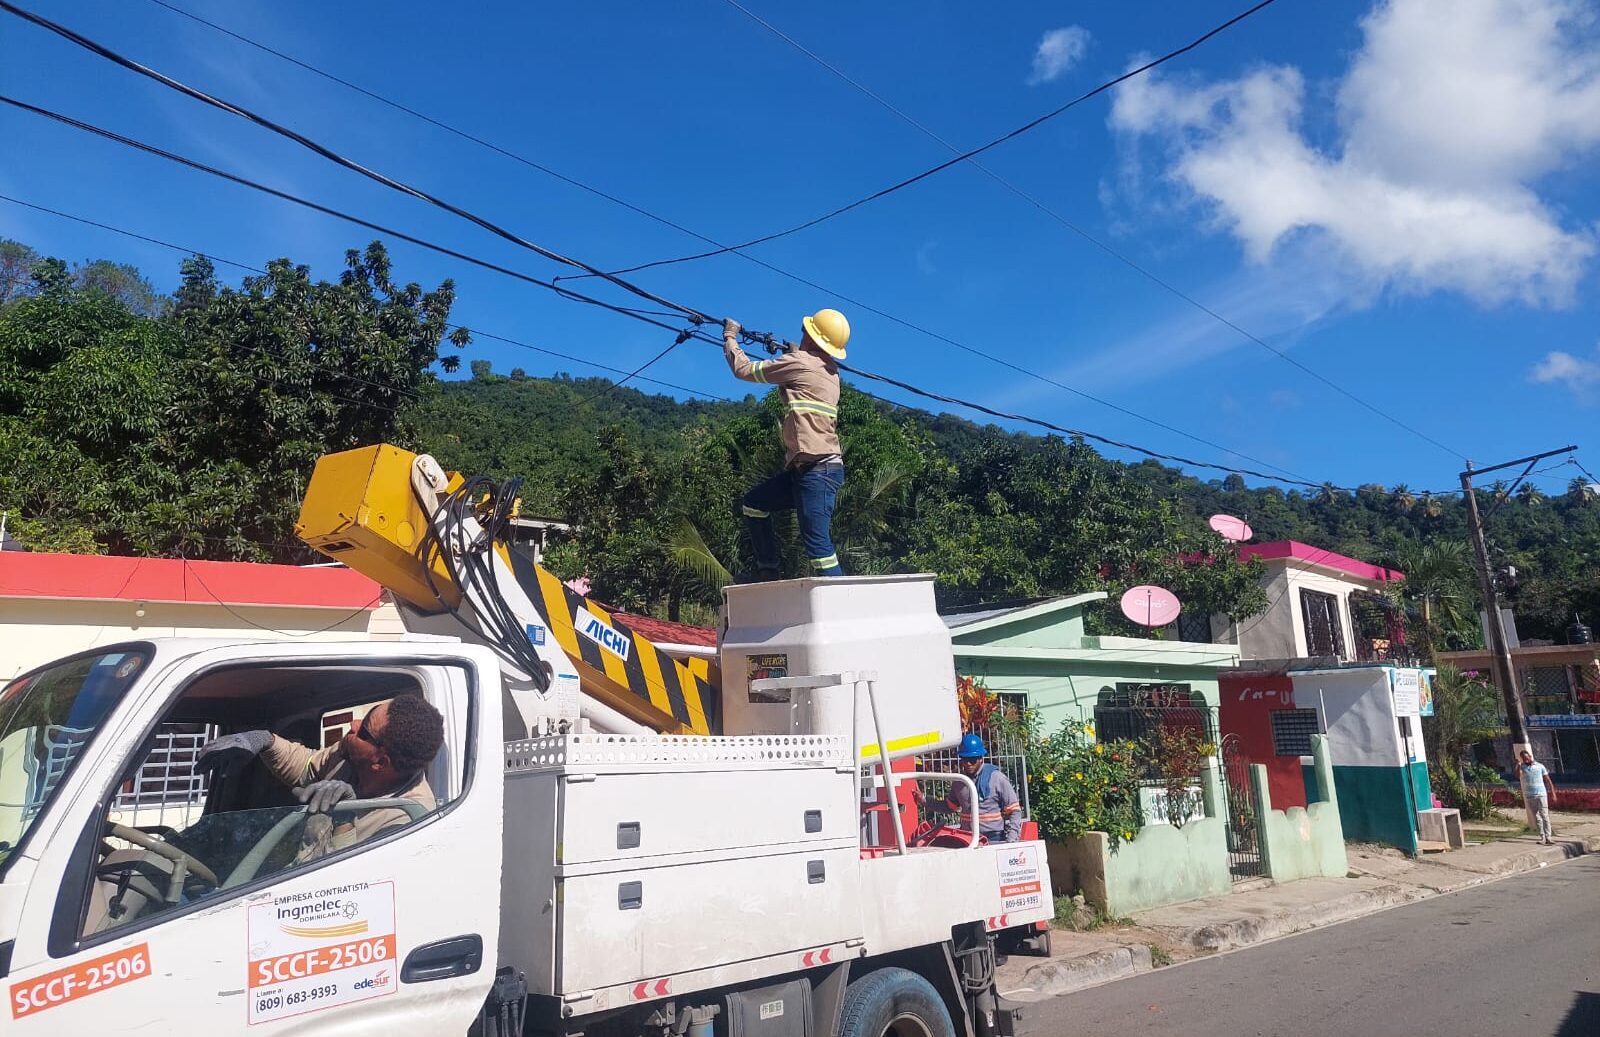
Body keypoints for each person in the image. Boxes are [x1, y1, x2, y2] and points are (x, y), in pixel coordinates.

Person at [195, 695, 445, 861]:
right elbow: (307, 767)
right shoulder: (350, 755)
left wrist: (345, 819)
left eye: (365, 726)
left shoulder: (409, 821)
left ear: (380, 762)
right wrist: (263, 740)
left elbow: (356, 887)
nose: (354, 724)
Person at [722, 309, 849, 580]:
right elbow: (798, 380)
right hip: (808, 471)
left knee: (818, 546)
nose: (801, 335)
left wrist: (730, 336)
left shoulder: (800, 363)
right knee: (754, 504)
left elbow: (744, 370)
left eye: (806, 332)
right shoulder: (832, 374)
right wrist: (791, 353)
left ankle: (841, 601)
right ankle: (768, 571)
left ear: (812, 338)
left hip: (818, 471)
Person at [916, 734, 1023, 843]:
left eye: (972, 760)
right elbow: (949, 806)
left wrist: (1012, 839)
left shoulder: (996, 778)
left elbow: (1014, 810)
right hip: (968, 838)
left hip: (993, 838)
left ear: (981, 758)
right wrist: (924, 800)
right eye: (965, 759)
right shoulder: (960, 781)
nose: (968, 764)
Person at [1516, 747, 1557, 845]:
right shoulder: (1522, 767)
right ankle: (1542, 837)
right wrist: (1517, 765)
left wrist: (1553, 793)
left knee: (1545, 815)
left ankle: (1549, 837)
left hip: (1541, 794)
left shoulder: (1540, 766)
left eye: (1527, 758)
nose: (1526, 760)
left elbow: (1548, 780)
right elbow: (1518, 775)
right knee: (1537, 817)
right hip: (1530, 795)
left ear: (1530, 756)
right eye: (1523, 758)